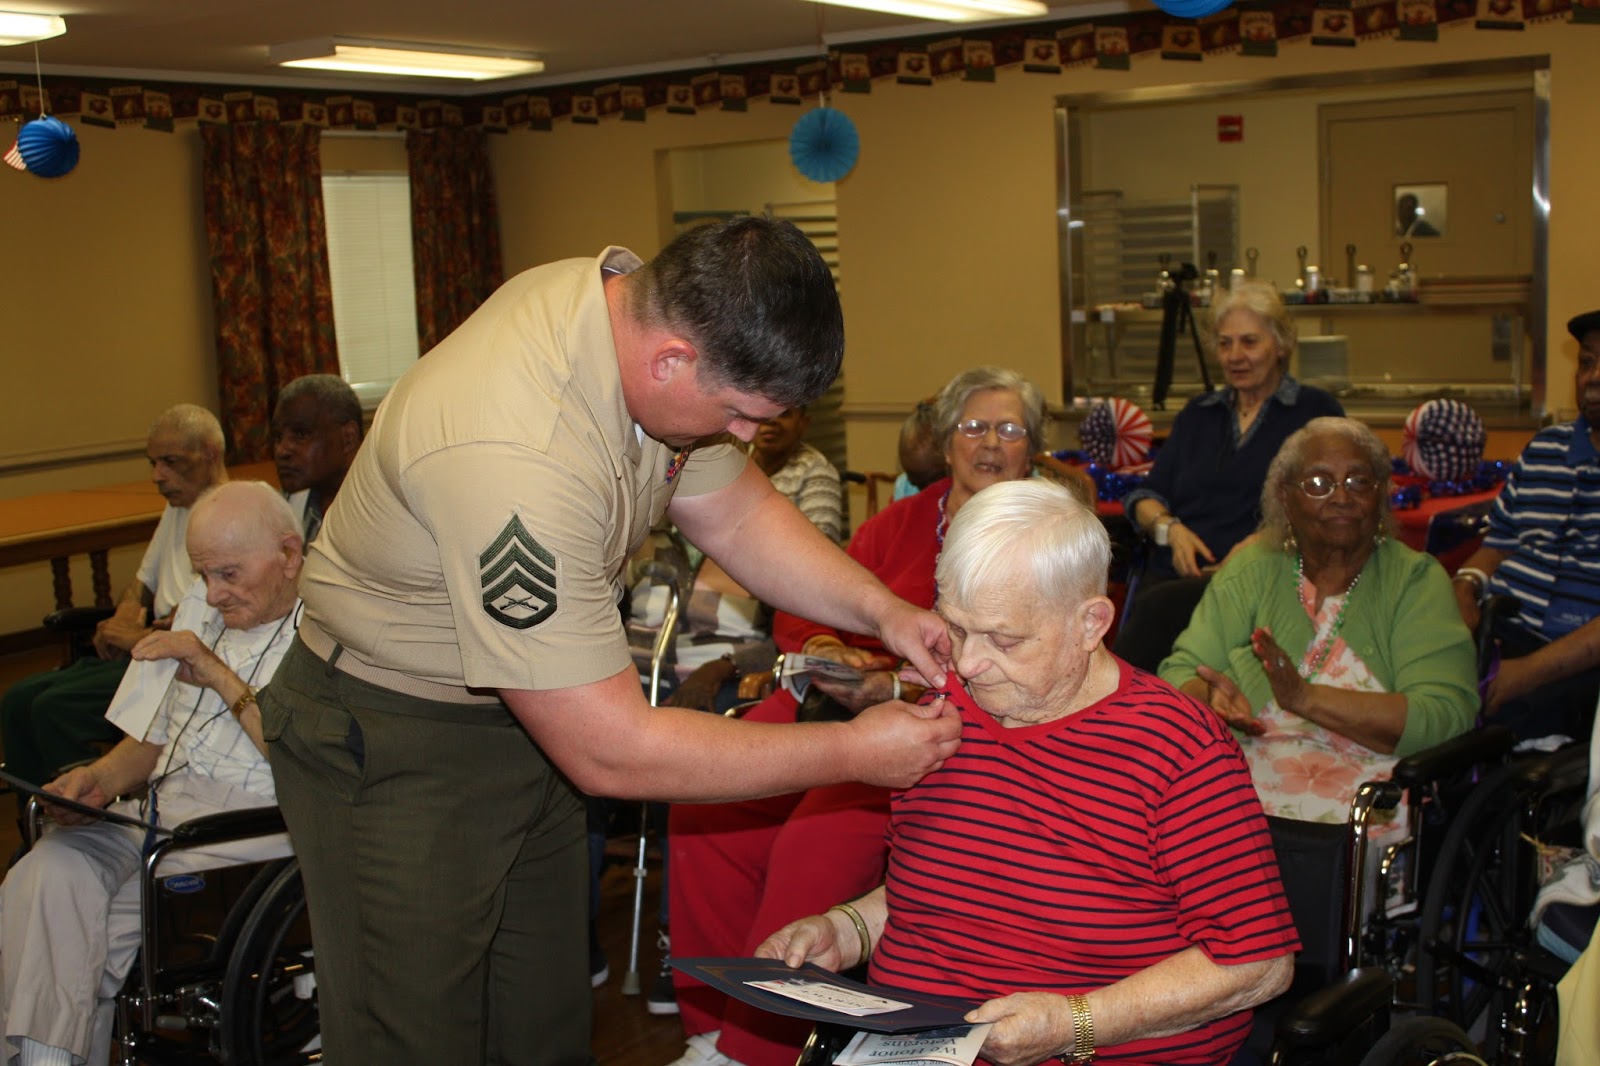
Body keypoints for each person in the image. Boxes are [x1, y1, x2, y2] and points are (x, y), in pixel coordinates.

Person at [259, 216, 962, 1066]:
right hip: (395, 736)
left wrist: (884, 612)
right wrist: (854, 751)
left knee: (544, 1026)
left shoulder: (632, 316)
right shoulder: (513, 446)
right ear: (671, 359)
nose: (745, 439)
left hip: (529, 718)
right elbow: (613, 751)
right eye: (740, 415)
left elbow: (735, 511)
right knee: (415, 1036)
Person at [757, 480, 1298, 1065]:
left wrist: (1076, 1024)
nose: (966, 663)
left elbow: (1257, 964)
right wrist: (845, 931)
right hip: (910, 1048)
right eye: (956, 628)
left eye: (1004, 639)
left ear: (1091, 623)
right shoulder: (941, 716)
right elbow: (938, 889)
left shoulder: (1177, 749)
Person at [667, 366, 1045, 1066]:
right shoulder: (901, 520)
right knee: (705, 807)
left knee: (813, 841)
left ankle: (760, 1047)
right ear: (945, 440)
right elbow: (802, 609)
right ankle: (711, 1028)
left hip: (958, 732)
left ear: (1034, 448)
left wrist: (898, 692)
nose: (989, 443)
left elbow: (1038, 671)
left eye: (1009, 429)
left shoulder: (1044, 534)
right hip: (839, 701)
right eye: (973, 426)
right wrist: (828, 648)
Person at [0, 481, 304, 1066]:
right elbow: (147, 740)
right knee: (42, 873)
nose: (212, 593)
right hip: (158, 809)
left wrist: (212, 668)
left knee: (81, 934)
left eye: (229, 575)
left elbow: (296, 758)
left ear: (289, 556)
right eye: (203, 573)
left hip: (246, 826)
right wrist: (97, 781)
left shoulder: (325, 627)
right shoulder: (198, 604)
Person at [1160, 417, 1478, 828]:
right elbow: (1177, 675)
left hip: (1367, 794)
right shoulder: (1253, 569)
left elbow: (1446, 715)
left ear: (1380, 494)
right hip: (1238, 782)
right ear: (1286, 499)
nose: (1341, 497)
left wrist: (1305, 698)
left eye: (1359, 481)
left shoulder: (1414, 580)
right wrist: (1208, 697)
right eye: (1318, 484)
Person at [1116, 281, 1344, 671]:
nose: (1235, 356)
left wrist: (1263, 543)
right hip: (1175, 571)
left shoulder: (1314, 413)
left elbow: (1333, 507)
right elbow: (1144, 495)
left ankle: (1113, 716)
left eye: (1249, 342)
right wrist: (1170, 529)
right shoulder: (1198, 414)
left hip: (1261, 580)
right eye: (1225, 344)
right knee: (1155, 603)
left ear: (1281, 345)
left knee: (1157, 612)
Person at [1, 404, 228, 786]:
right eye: (153, 463)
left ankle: (86, 811)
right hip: (143, 649)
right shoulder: (179, 507)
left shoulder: (228, 512)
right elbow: (142, 581)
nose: (158, 476)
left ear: (210, 454)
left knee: (51, 709)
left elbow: (211, 617)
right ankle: (36, 819)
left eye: (170, 462)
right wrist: (124, 616)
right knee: (17, 698)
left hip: (175, 663)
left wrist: (132, 636)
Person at [1451, 309, 1600, 742]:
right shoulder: (1546, 449)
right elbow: (1497, 544)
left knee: (1497, 728)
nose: (1593, 377)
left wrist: (1527, 674)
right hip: (1502, 632)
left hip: (1577, 656)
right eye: (1587, 362)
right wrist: (1464, 587)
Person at [271, 373, 362, 543]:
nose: (282, 451)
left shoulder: (385, 507)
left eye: (300, 434)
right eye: (278, 437)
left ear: (348, 438)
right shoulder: (285, 507)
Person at [892, 399, 946, 502]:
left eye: (933, 480)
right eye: (915, 483)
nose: (924, 491)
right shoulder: (903, 486)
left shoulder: (964, 486)